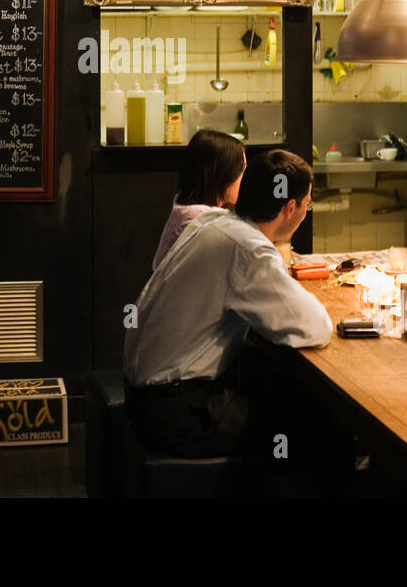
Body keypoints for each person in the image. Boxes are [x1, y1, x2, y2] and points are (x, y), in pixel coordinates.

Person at [124, 149, 332, 459]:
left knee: (278, 390)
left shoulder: (213, 220)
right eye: (307, 204)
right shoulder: (248, 249)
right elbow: (315, 328)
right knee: (316, 427)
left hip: (145, 397)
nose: (305, 211)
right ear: (291, 207)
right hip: (176, 416)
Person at [150, 129, 246, 271]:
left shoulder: (188, 209)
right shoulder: (202, 221)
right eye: (242, 170)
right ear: (223, 174)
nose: (245, 178)